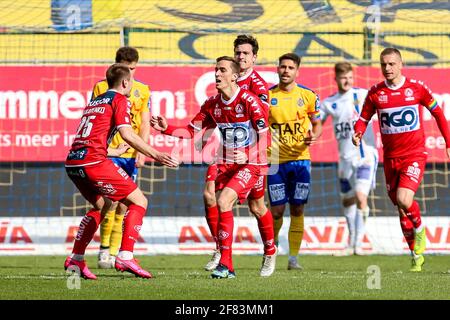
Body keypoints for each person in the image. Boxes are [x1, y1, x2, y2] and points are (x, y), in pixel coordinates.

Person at [151, 56, 277, 278]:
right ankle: (226, 264)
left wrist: (246, 155)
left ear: (235, 76)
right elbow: (191, 130)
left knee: (253, 206)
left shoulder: (250, 101)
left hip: (253, 160)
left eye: (222, 70)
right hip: (227, 161)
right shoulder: (212, 104)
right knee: (219, 200)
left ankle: (269, 251)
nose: (217, 74)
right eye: (215, 70)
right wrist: (166, 128)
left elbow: (266, 140)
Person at [64, 63, 178, 280]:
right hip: (93, 162)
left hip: (74, 162)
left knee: (102, 205)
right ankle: (125, 255)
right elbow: (127, 133)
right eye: (131, 81)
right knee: (139, 201)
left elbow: (89, 137)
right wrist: (157, 154)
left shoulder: (95, 102)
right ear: (126, 82)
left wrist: (114, 149)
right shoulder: (120, 100)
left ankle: (76, 259)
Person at [353, 47, 450, 272]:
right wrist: (358, 131)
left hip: (414, 155)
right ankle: (415, 254)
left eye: (391, 64)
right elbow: (363, 117)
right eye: (383, 64)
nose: (387, 68)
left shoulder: (416, 88)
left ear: (400, 64)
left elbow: (438, 113)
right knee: (400, 207)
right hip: (390, 159)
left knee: (405, 199)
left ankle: (421, 229)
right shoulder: (375, 93)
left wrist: (448, 142)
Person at [198, 35, 275, 274]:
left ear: (254, 57)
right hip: (227, 153)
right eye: (237, 52)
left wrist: (251, 154)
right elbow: (212, 115)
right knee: (210, 195)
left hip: (253, 155)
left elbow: (262, 126)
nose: (241, 57)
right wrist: (204, 134)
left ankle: (269, 251)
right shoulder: (224, 80)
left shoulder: (258, 88)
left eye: (245, 53)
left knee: (257, 206)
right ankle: (222, 251)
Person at [91, 46, 151, 269]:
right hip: (109, 153)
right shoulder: (101, 87)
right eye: (126, 68)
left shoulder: (143, 90)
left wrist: (142, 152)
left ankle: (116, 251)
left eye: (133, 69)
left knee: (126, 205)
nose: (130, 73)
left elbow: (144, 122)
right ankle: (104, 249)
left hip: (130, 153)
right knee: (110, 201)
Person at [267, 53, 322, 270]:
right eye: (283, 67)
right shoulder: (267, 96)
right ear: (277, 69)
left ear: (297, 71)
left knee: (298, 208)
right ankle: (270, 250)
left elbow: (317, 123)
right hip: (275, 161)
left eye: (290, 67)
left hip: (301, 161)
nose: (286, 70)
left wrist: (314, 135)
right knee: (278, 210)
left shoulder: (308, 96)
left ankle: (293, 258)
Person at [320, 62, 379, 256]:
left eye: (350, 77)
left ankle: (359, 244)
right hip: (344, 159)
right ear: (335, 78)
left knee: (361, 197)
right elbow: (316, 123)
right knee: (347, 201)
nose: (347, 81)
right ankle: (351, 242)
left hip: (365, 156)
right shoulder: (329, 103)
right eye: (343, 77)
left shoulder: (363, 95)